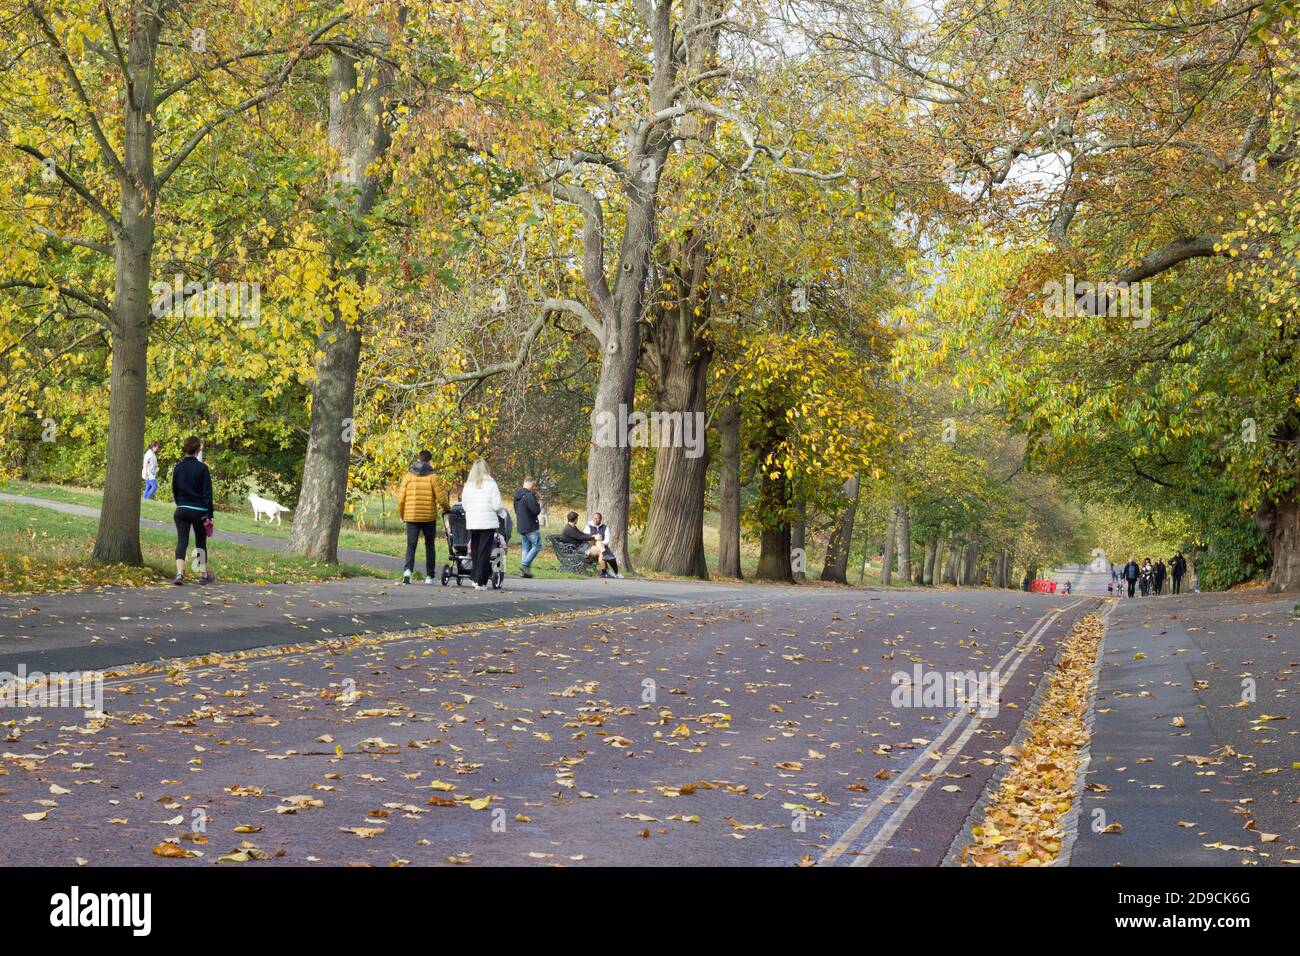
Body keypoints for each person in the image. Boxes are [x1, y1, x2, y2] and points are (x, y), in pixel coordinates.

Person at [397, 450, 450, 584]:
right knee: (429, 546)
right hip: (428, 517)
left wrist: (402, 514)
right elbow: (441, 498)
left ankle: (407, 571)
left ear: (418, 459)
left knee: (411, 545)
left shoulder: (408, 476)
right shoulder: (433, 477)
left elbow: (401, 499)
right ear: (429, 461)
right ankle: (430, 576)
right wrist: (447, 509)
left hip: (411, 517)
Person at [171, 436, 214, 585]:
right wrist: (210, 514)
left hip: (182, 510)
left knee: (182, 540)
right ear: (197, 450)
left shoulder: (178, 467)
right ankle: (202, 574)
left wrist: (180, 503)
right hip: (199, 511)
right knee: (200, 542)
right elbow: (207, 494)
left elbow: (174, 489)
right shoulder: (203, 468)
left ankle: (179, 574)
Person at [460, 459, 503, 590]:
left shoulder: (469, 484)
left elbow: (465, 504)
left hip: (473, 521)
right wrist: (501, 512)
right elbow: (496, 505)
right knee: (484, 551)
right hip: (487, 521)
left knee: (475, 550)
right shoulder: (491, 483)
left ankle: (474, 577)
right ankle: (480, 580)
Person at [513, 477, 542, 578]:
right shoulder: (529, 496)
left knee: (526, 547)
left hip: (521, 525)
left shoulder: (517, 496)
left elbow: (516, 510)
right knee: (537, 545)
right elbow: (536, 511)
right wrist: (537, 503)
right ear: (530, 484)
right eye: (533, 485)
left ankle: (524, 572)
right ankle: (525, 565)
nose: (533, 487)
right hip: (531, 525)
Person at [584, 512, 622, 579]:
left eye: (597, 518)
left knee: (612, 557)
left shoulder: (605, 527)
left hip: (603, 546)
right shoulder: (588, 526)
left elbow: (607, 541)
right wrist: (595, 538)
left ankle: (616, 573)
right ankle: (605, 571)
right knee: (599, 543)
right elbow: (586, 537)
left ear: (600, 519)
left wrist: (600, 543)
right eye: (594, 518)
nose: (595, 519)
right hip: (591, 547)